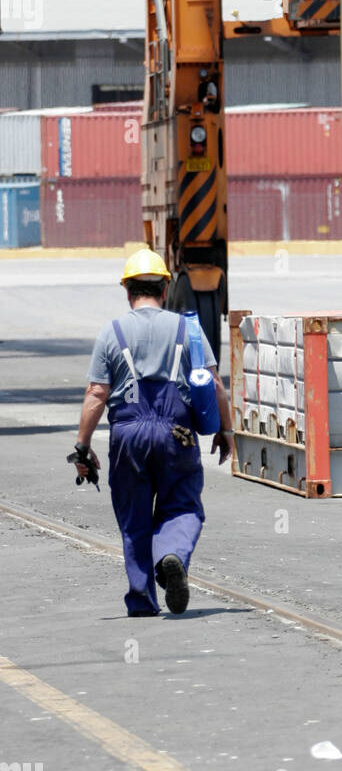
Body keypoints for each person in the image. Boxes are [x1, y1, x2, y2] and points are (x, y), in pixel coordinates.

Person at [71, 249, 233, 618]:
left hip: (128, 433)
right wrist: (225, 430)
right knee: (182, 504)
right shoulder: (187, 329)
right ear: (165, 288)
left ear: (127, 290)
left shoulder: (111, 333)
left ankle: (142, 598)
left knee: (135, 516)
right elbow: (215, 383)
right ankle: (171, 554)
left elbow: (96, 393)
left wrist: (82, 446)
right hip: (177, 432)